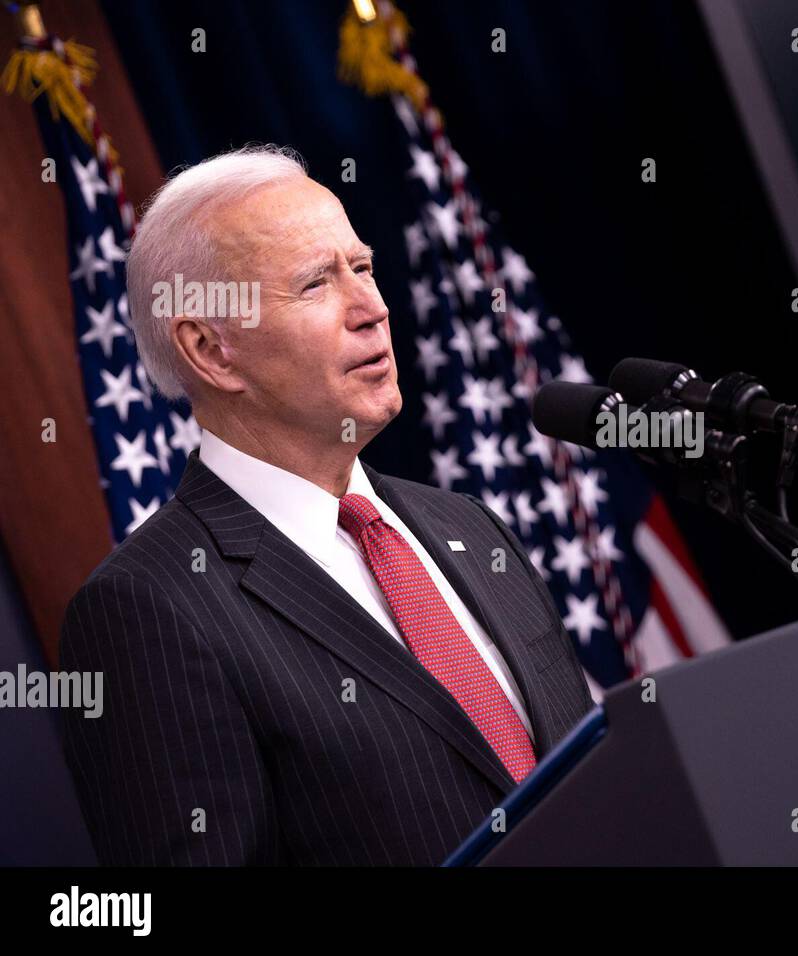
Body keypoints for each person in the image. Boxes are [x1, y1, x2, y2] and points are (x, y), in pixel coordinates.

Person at [59, 146, 593, 865]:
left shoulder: (466, 524)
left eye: (363, 268)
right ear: (212, 351)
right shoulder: (148, 608)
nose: (373, 309)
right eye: (315, 284)